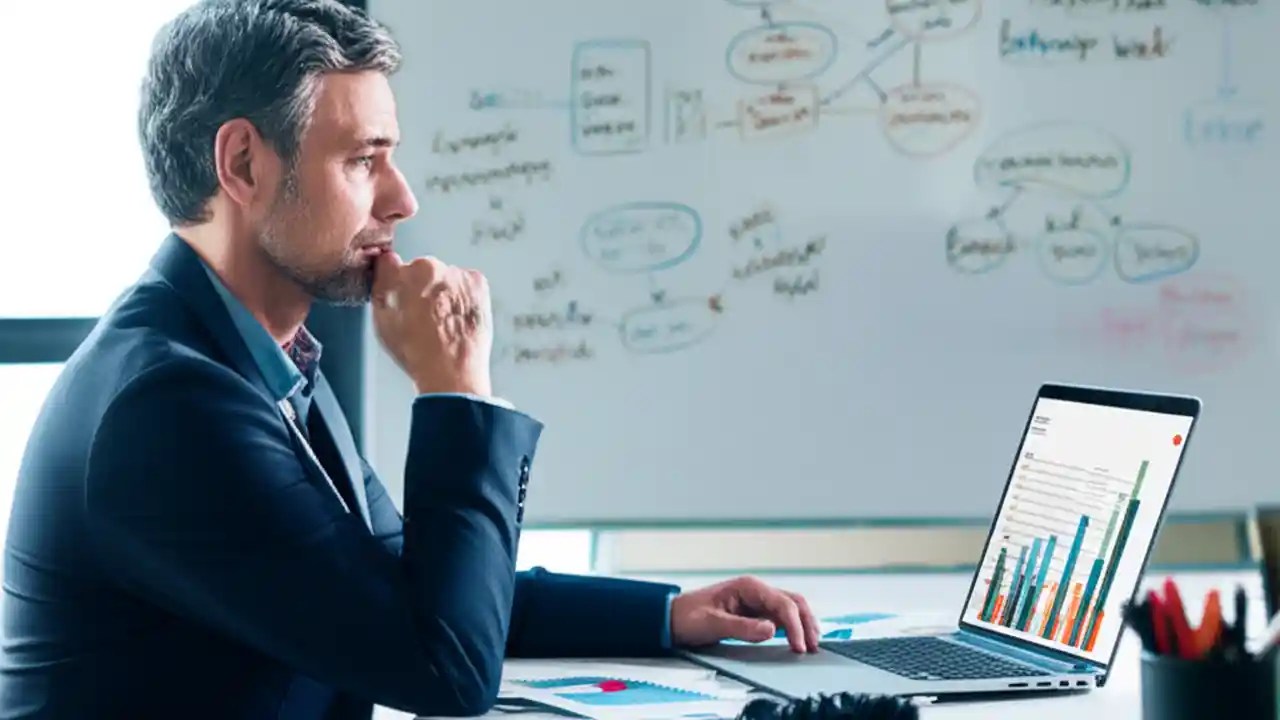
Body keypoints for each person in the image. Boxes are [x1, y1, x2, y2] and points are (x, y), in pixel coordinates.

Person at [0, 1, 821, 717]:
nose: (402, 198)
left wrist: (667, 615)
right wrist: (454, 386)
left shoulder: (257, 356)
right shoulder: (169, 406)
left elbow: (410, 585)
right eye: (363, 159)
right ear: (244, 164)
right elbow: (441, 666)